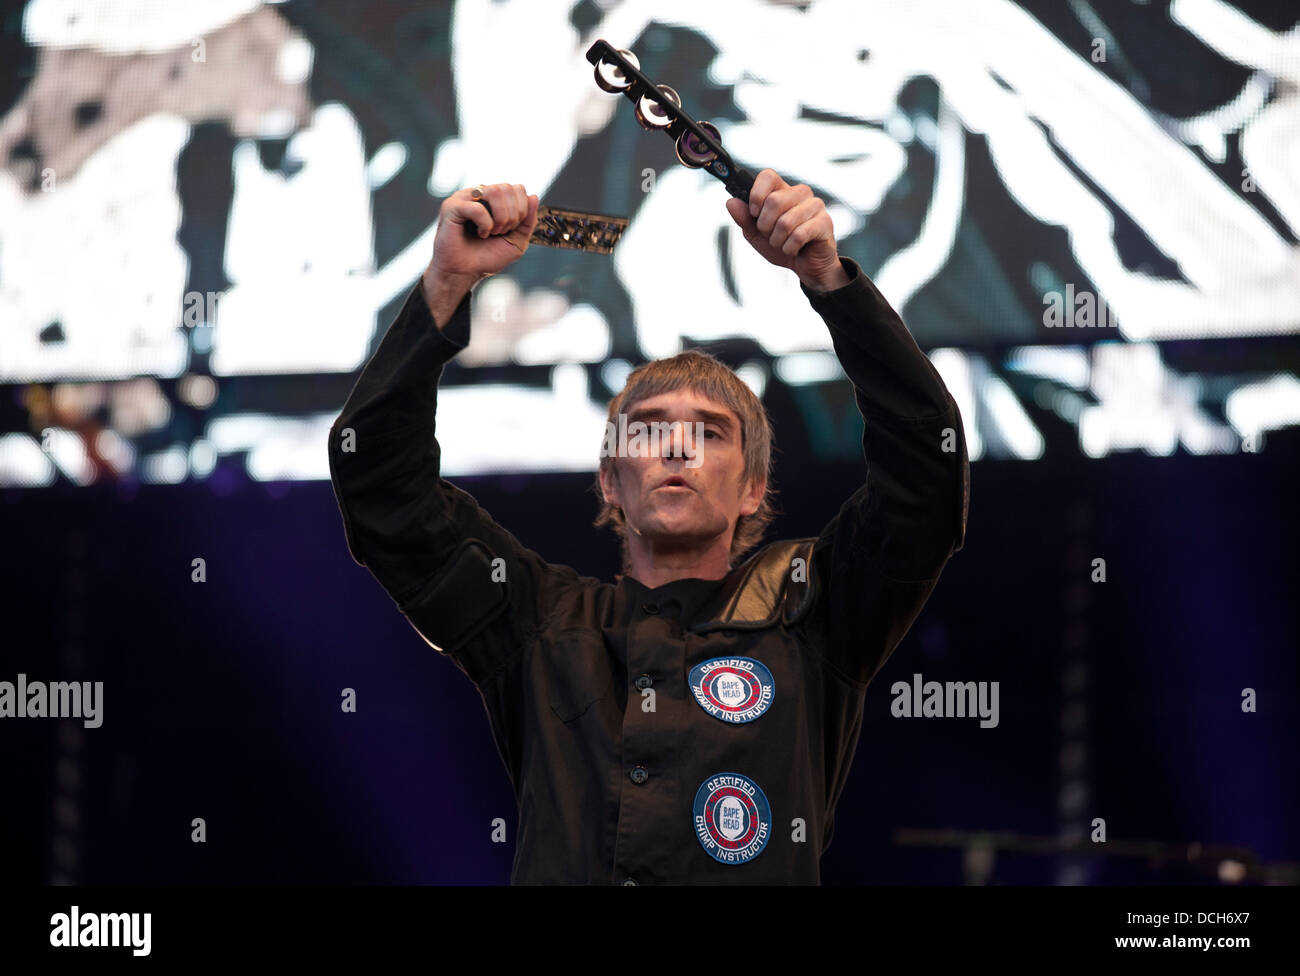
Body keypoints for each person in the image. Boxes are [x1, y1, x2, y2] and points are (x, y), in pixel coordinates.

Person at [328, 172, 969, 884]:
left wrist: (827, 279)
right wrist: (445, 285)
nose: (678, 449)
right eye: (651, 432)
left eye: (710, 434)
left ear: (753, 488)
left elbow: (927, 477)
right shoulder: (537, 622)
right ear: (611, 481)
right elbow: (380, 484)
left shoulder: (812, 615)